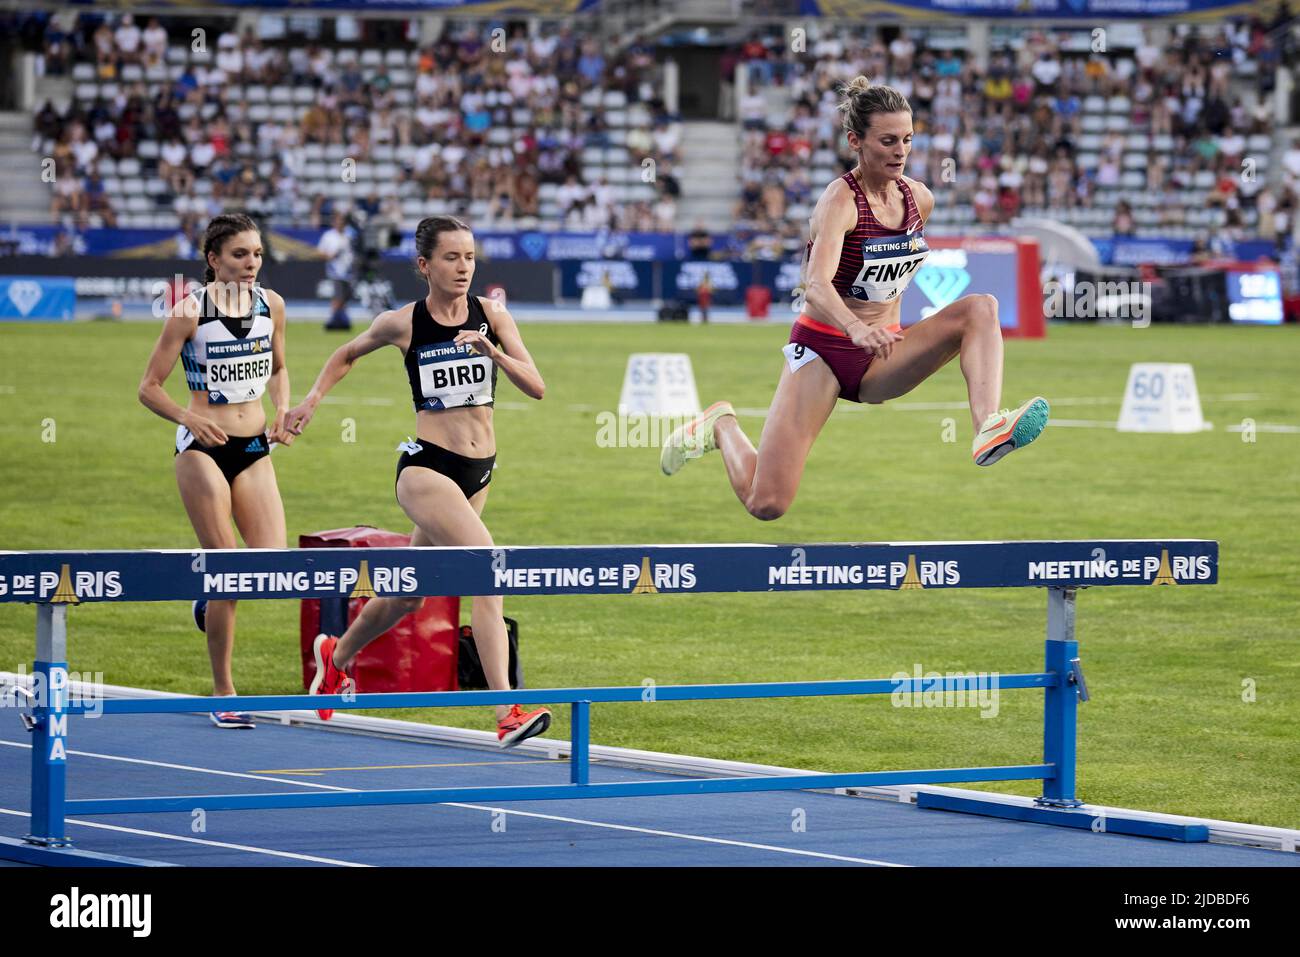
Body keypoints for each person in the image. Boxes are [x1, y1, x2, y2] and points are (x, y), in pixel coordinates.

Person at [660, 76, 1049, 519]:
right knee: (766, 503)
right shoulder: (839, 201)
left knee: (982, 308)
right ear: (855, 141)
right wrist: (855, 327)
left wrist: (878, 326)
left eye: (907, 139)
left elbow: (892, 271)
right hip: (824, 349)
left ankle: (988, 428)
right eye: (887, 141)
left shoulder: (920, 199)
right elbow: (816, 284)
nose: (900, 151)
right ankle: (721, 425)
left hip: (883, 353)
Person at [284, 216, 552, 748]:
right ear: (425, 265)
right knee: (488, 570)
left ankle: (333, 658)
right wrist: (311, 399)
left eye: (470, 257)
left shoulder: (492, 315)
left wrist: (493, 353)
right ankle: (506, 709)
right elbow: (346, 353)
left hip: (479, 473)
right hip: (427, 468)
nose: (463, 268)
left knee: (409, 594)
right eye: (452, 258)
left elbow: (538, 386)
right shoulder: (402, 322)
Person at [138, 213, 293, 728]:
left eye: (256, 255)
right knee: (227, 567)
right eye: (239, 255)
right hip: (202, 449)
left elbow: (279, 367)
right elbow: (149, 387)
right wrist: (189, 417)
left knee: (268, 567)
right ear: (213, 260)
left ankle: (206, 600)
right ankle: (223, 692)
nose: (250, 264)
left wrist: (284, 409)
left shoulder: (273, 305)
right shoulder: (188, 312)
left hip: (252, 446)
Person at [317, 210, 356, 330]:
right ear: (334, 223)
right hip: (335, 271)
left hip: (349, 271)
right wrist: (330, 256)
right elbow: (320, 252)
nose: (340, 223)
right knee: (338, 297)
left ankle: (341, 320)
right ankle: (332, 319)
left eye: (342, 221)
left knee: (345, 297)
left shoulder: (349, 235)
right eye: (338, 221)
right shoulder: (329, 236)